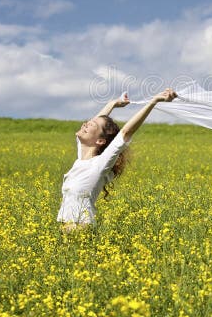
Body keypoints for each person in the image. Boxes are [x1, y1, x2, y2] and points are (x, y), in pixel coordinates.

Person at [58, 88, 177, 231]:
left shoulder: (99, 165)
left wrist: (154, 101)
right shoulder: (81, 161)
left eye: (90, 125)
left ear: (100, 141)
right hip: (67, 229)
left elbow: (126, 132)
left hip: (81, 228)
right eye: (86, 123)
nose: (85, 124)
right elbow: (97, 122)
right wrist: (112, 104)